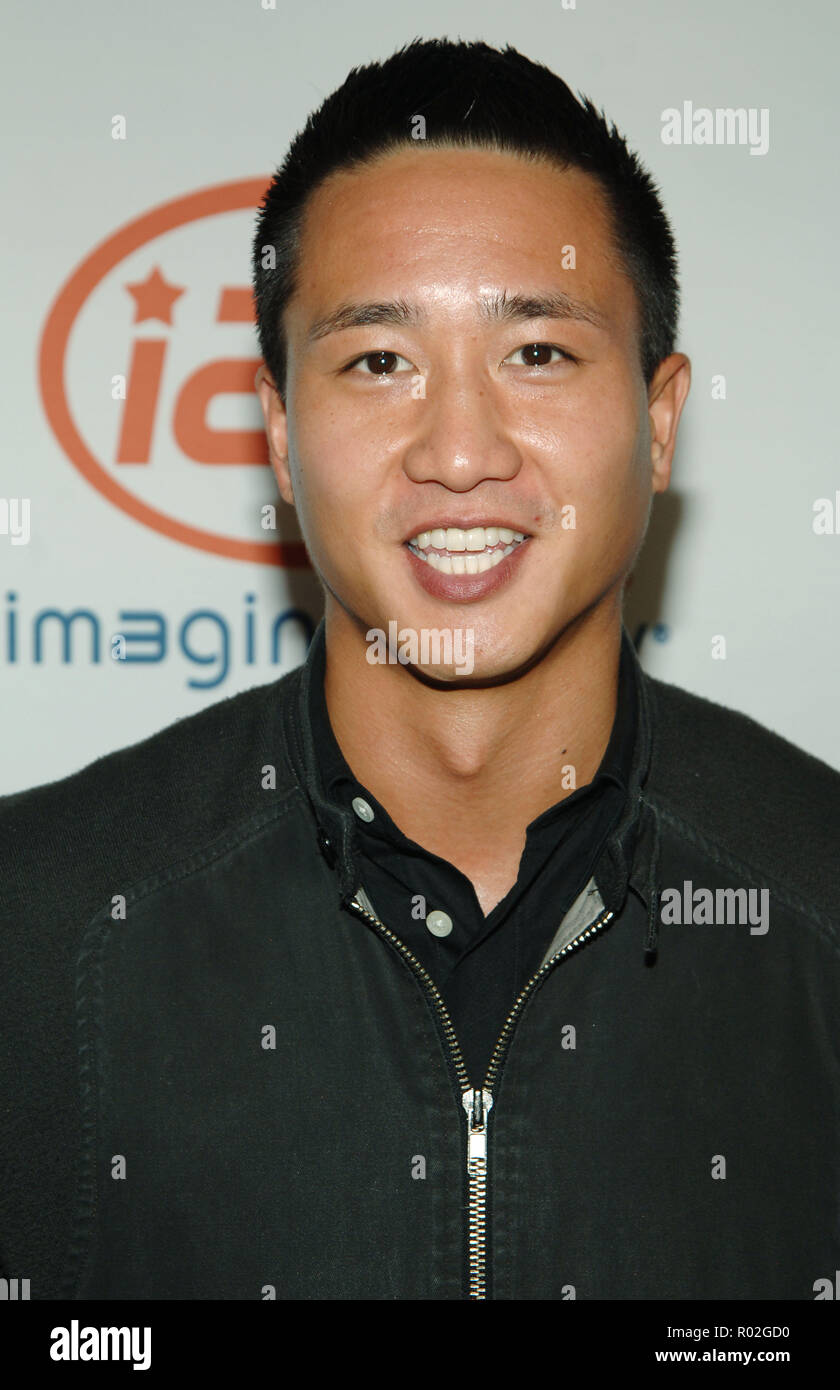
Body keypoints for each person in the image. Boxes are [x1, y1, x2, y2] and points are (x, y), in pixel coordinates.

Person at [2, 37, 838, 1302]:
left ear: (659, 422)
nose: (459, 452)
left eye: (538, 354)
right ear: (281, 436)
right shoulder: (38, 928)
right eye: (378, 360)